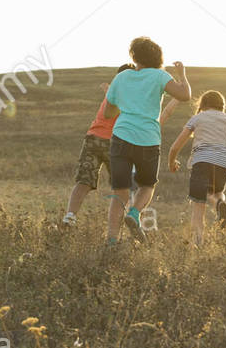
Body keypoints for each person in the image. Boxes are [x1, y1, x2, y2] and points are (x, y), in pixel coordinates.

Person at [103, 37, 191, 245]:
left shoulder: (123, 77)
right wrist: (182, 76)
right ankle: (134, 213)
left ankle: (112, 242)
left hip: (121, 137)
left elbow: (108, 112)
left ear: (134, 56)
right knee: (147, 185)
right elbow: (185, 95)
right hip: (148, 140)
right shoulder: (160, 75)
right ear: (157, 58)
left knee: (119, 193)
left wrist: (126, 103)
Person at [167, 90, 226, 246]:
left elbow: (175, 146)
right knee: (217, 193)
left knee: (199, 206)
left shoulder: (197, 118)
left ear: (202, 105)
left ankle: (198, 244)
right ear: (222, 105)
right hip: (224, 163)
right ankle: (220, 203)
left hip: (202, 162)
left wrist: (172, 162)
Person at [62, 63, 133, 227]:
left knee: (83, 182)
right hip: (114, 143)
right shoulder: (129, 96)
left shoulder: (113, 92)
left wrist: (107, 89)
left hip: (92, 138)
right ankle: (123, 223)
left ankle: (70, 216)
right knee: (121, 188)